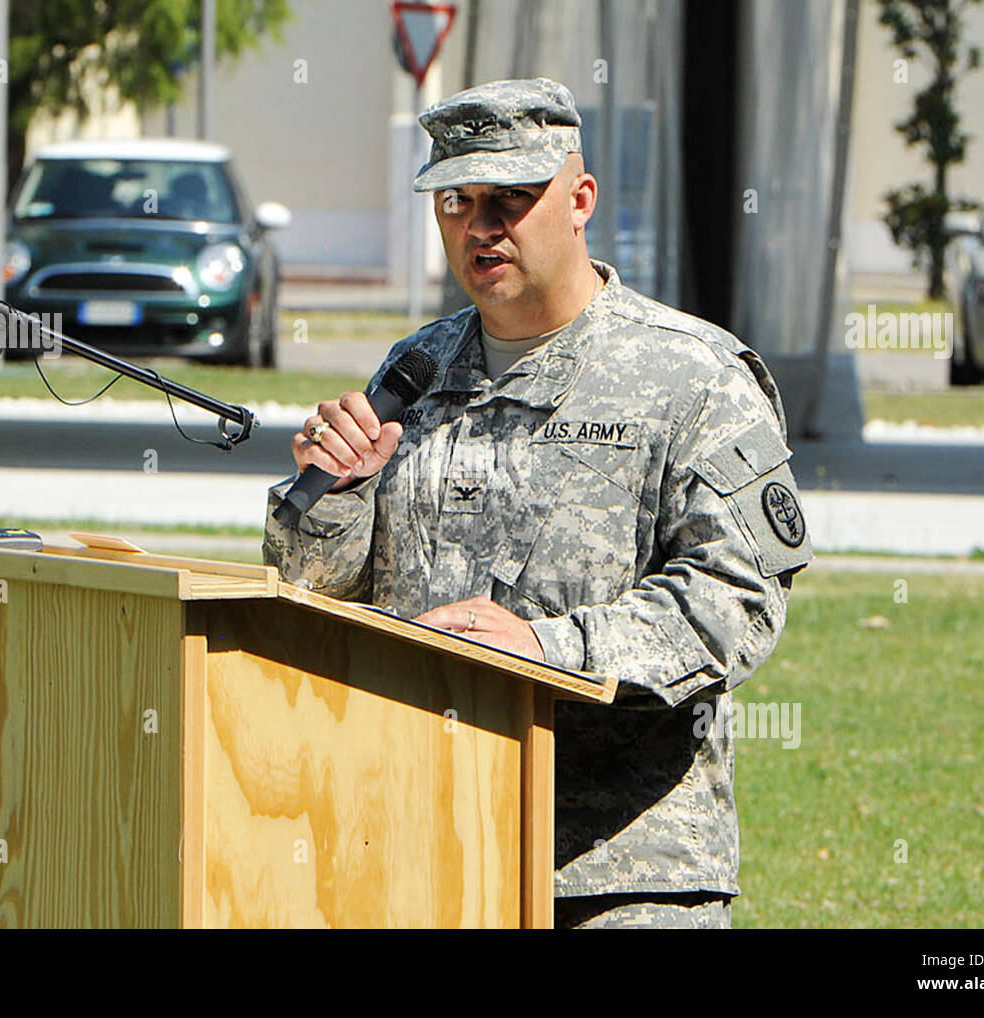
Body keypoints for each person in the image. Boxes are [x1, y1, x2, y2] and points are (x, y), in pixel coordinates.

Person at [263, 77, 812, 929]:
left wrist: (545, 651)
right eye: (457, 199)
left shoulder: (694, 377)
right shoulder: (415, 371)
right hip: (421, 847)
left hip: (618, 873)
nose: (482, 225)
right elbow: (315, 591)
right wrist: (335, 496)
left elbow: (735, 601)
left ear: (581, 198)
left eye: (514, 196)